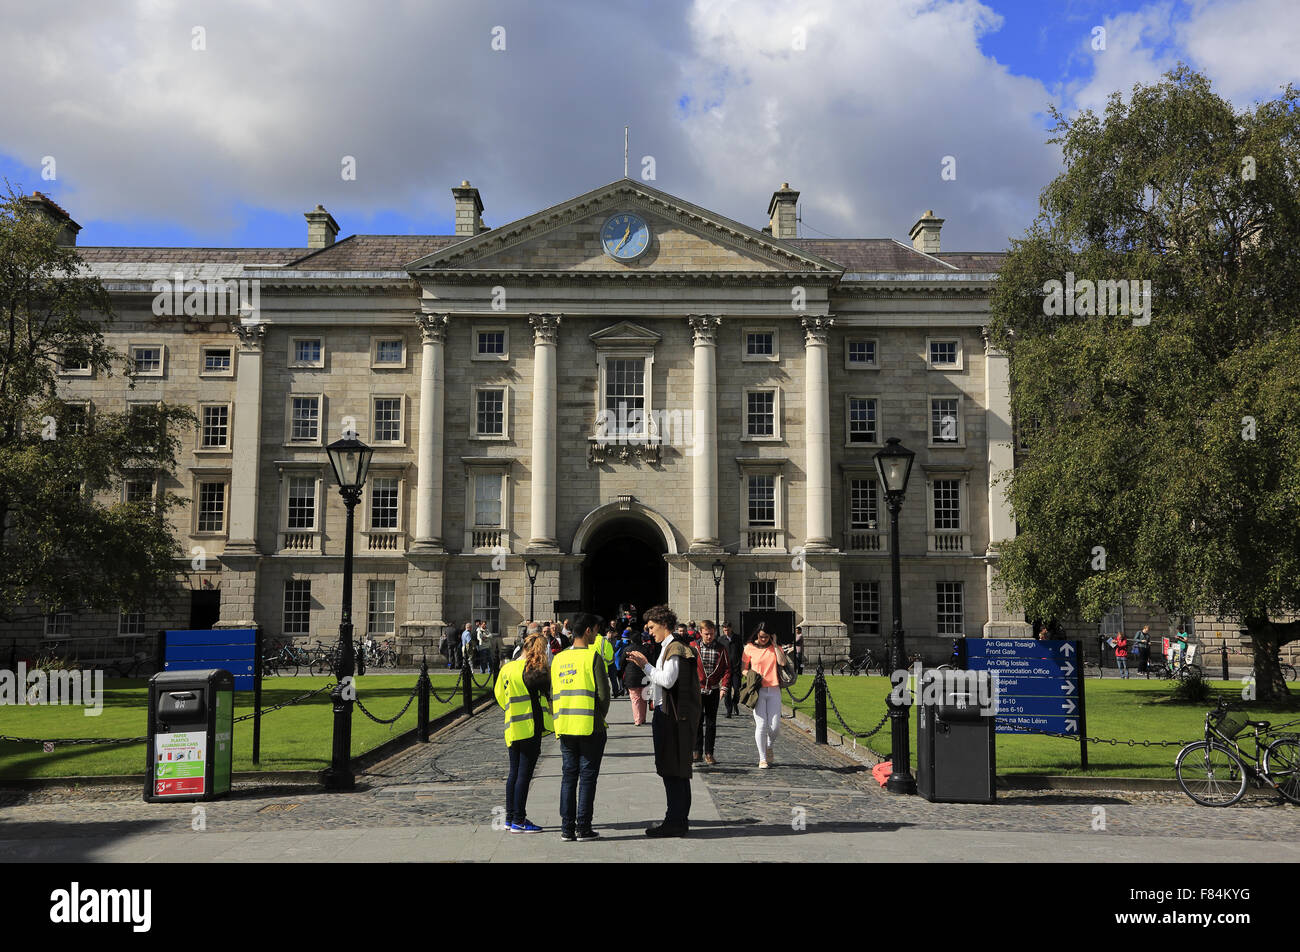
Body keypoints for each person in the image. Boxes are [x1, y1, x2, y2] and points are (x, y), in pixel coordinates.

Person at [626, 604, 701, 838]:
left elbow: (668, 680)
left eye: (651, 627)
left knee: (674, 769)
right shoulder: (668, 648)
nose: (649, 632)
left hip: (672, 716)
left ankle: (675, 821)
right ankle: (677, 819)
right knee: (673, 769)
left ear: (664, 624)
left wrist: (644, 665)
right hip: (667, 712)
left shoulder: (674, 648)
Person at [551, 612, 610, 841]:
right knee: (587, 778)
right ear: (588, 630)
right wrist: (599, 716)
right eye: (596, 630)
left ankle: (566, 828)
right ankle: (583, 827)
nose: (598, 635)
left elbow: (553, 692)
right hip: (589, 725)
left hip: (565, 724)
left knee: (568, 777)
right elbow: (603, 696)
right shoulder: (592, 657)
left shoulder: (558, 659)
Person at [494, 631, 552, 833]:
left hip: (512, 725)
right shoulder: (533, 669)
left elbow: (499, 697)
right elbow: (547, 692)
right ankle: (519, 819)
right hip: (530, 725)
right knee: (524, 775)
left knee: (514, 773)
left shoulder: (507, 668)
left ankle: (510, 818)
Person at [742, 625, 789, 768]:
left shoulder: (775, 648)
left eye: (766, 637)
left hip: (774, 689)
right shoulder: (749, 648)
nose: (763, 639)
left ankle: (769, 745)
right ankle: (762, 758)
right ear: (756, 635)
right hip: (758, 690)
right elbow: (743, 669)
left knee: (775, 727)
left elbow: (782, 662)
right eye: (761, 636)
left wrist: (774, 644)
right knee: (761, 725)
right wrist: (752, 676)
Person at [692, 620, 729, 765]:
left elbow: (727, 669)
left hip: (713, 690)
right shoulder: (693, 647)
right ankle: (697, 751)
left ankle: (709, 752)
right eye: (706, 634)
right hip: (697, 690)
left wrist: (724, 687)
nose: (709, 637)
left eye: (712, 634)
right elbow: (687, 668)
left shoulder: (721, 649)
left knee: (711, 723)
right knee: (697, 721)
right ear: (700, 633)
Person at [721, 622, 742, 716]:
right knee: (727, 691)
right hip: (725, 670)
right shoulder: (721, 639)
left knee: (737, 688)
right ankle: (728, 711)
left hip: (736, 668)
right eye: (724, 630)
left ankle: (735, 703)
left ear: (731, 628)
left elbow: (742, 652)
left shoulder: (737, 638)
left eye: (727, 629)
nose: (726, 631)